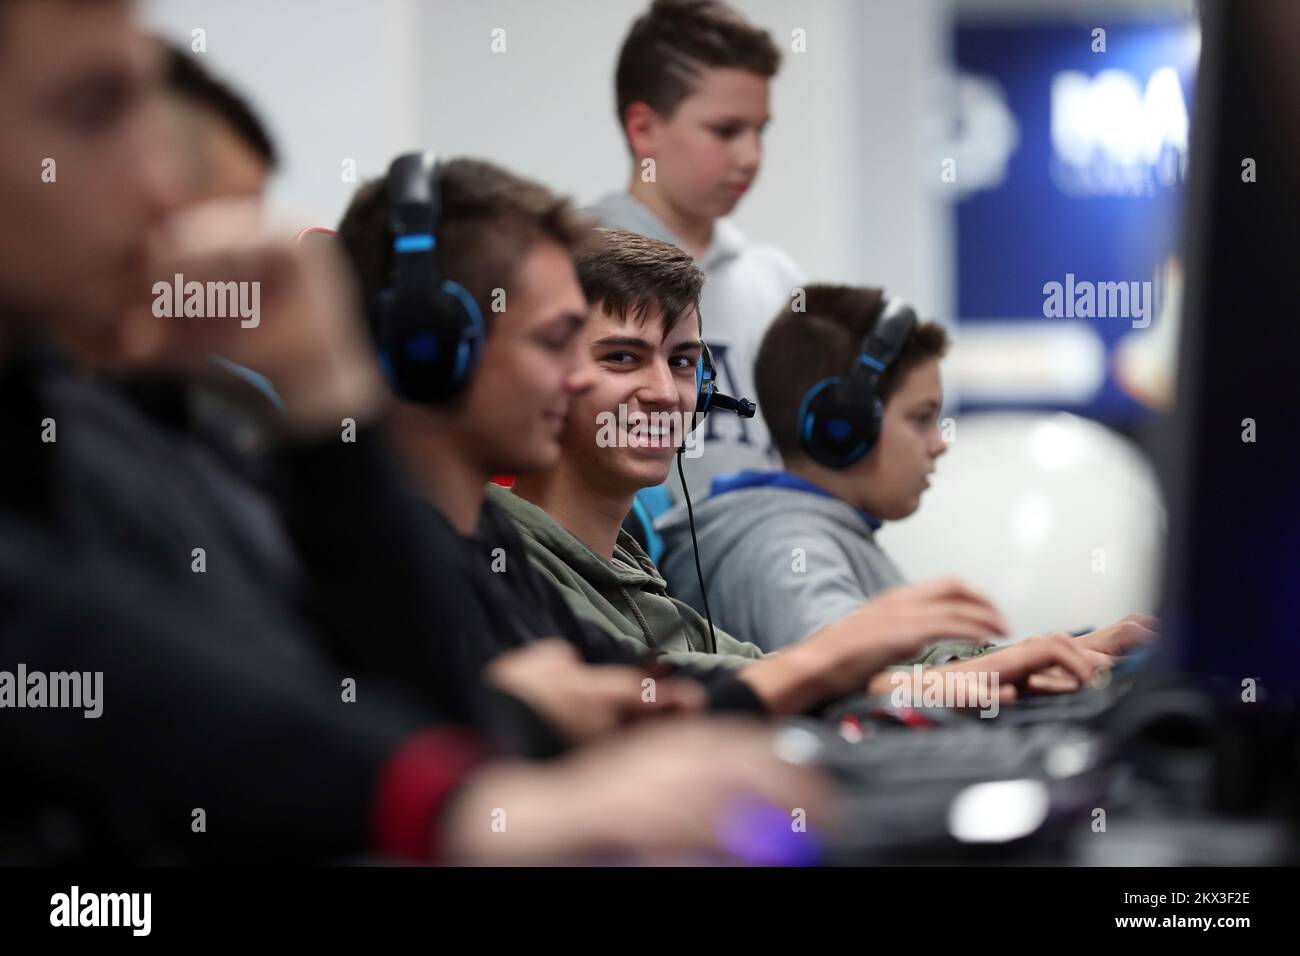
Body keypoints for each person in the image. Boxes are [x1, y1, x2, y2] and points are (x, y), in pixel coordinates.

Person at [0, 0, 821, 864]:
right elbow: (120, 669)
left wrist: (325, 410)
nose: (160, 195)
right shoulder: (117, 462)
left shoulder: (181, 441)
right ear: (434, 348)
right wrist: (471, 772)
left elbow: (404, 711)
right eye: (93, 111)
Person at [495, 229, 1116, 706]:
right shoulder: (497, 562)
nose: (665, 391)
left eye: (684, 362)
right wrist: (947, 676)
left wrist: (1011, 660)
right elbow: (665, 689)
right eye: (623, 358)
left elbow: (762, 671)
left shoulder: (629, 569)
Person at [660, 283, 1160, 666]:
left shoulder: (810, 530)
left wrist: (1064, 650)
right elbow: (858, 681)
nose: (941, 442)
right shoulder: (784, 547)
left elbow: (906, 670)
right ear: (840, 427)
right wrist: (1029, 666)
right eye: (921, 418)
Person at [588, 0, 803, 498]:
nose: (751, 156)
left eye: (760, 130)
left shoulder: (777, 281)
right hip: (624, 568)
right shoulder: (569, 264)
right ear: (644, 128)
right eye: (726, 130)